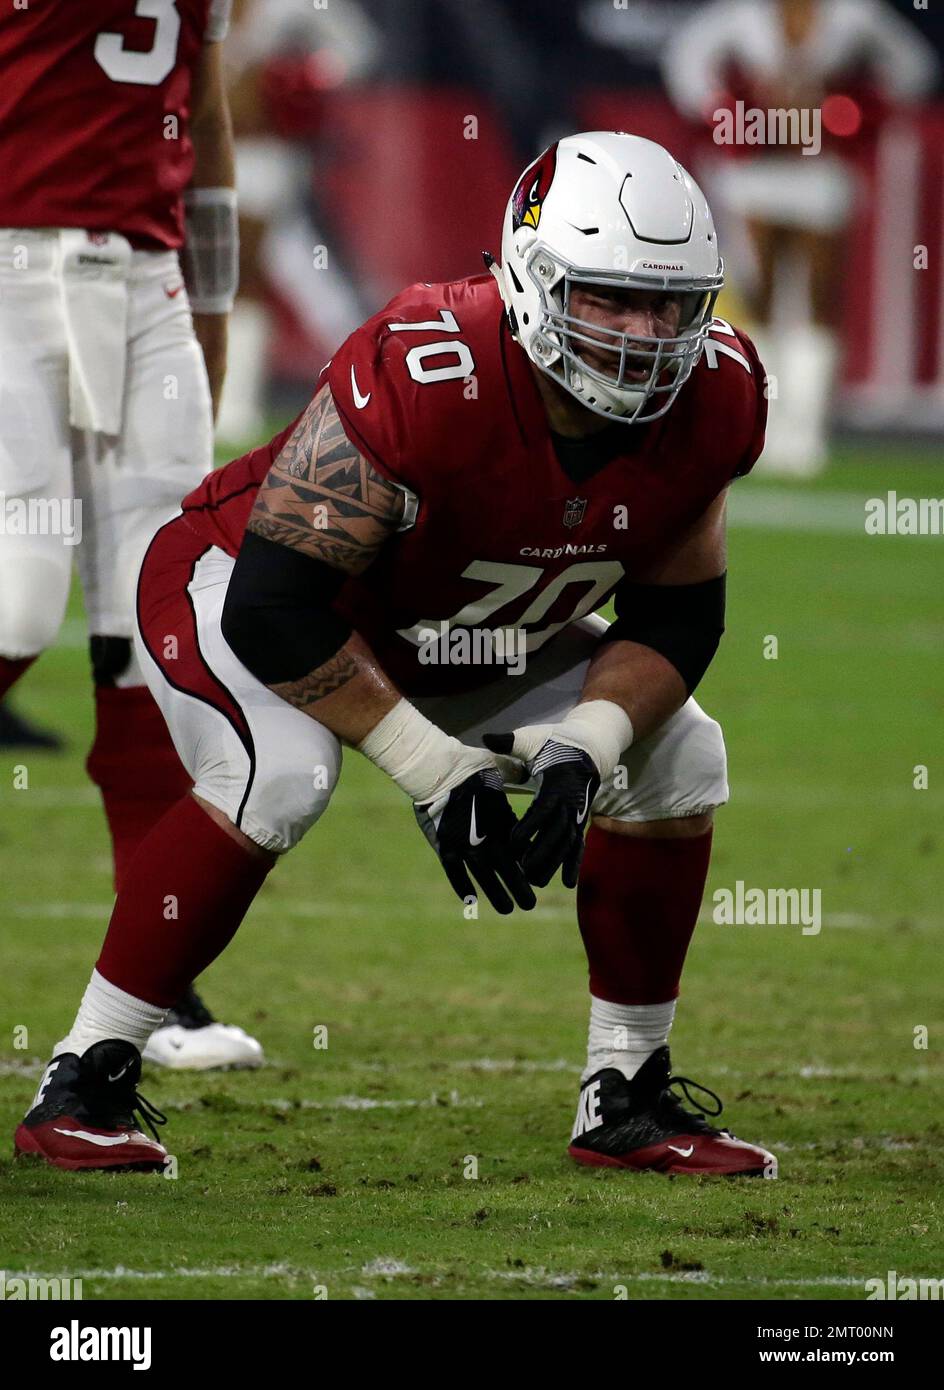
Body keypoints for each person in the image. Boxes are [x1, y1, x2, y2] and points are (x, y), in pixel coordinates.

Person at [15, 131, 776, 1179]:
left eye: (671, 305)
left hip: (463, 630)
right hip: (241, 583)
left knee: (678, 754)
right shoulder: (427, 365)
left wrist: (587, 744)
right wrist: (433, 768)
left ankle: (625, 1090)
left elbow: (677, 618)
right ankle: (84, 1075)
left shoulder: (719, 391)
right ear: (534, 277)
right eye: (610, 299)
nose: (646, 336)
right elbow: (276, 609)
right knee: (280, 774)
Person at [0, 0, 262, 1069]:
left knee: (159, 638)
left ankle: (152, 989)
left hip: (146, 281)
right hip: (9, 266)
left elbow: (204, 115)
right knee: (17, 602)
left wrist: (214, 305)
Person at [663, 0, 938, 475]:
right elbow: (687, 55)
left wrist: (859, 108)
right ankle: (762, 422)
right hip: (757, 170)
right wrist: (725, 112)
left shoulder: (854, 13)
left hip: (819, 168)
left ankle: (806, 429)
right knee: (760, 295)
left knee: (820, 297)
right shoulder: (744, 11)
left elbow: (914, 65)